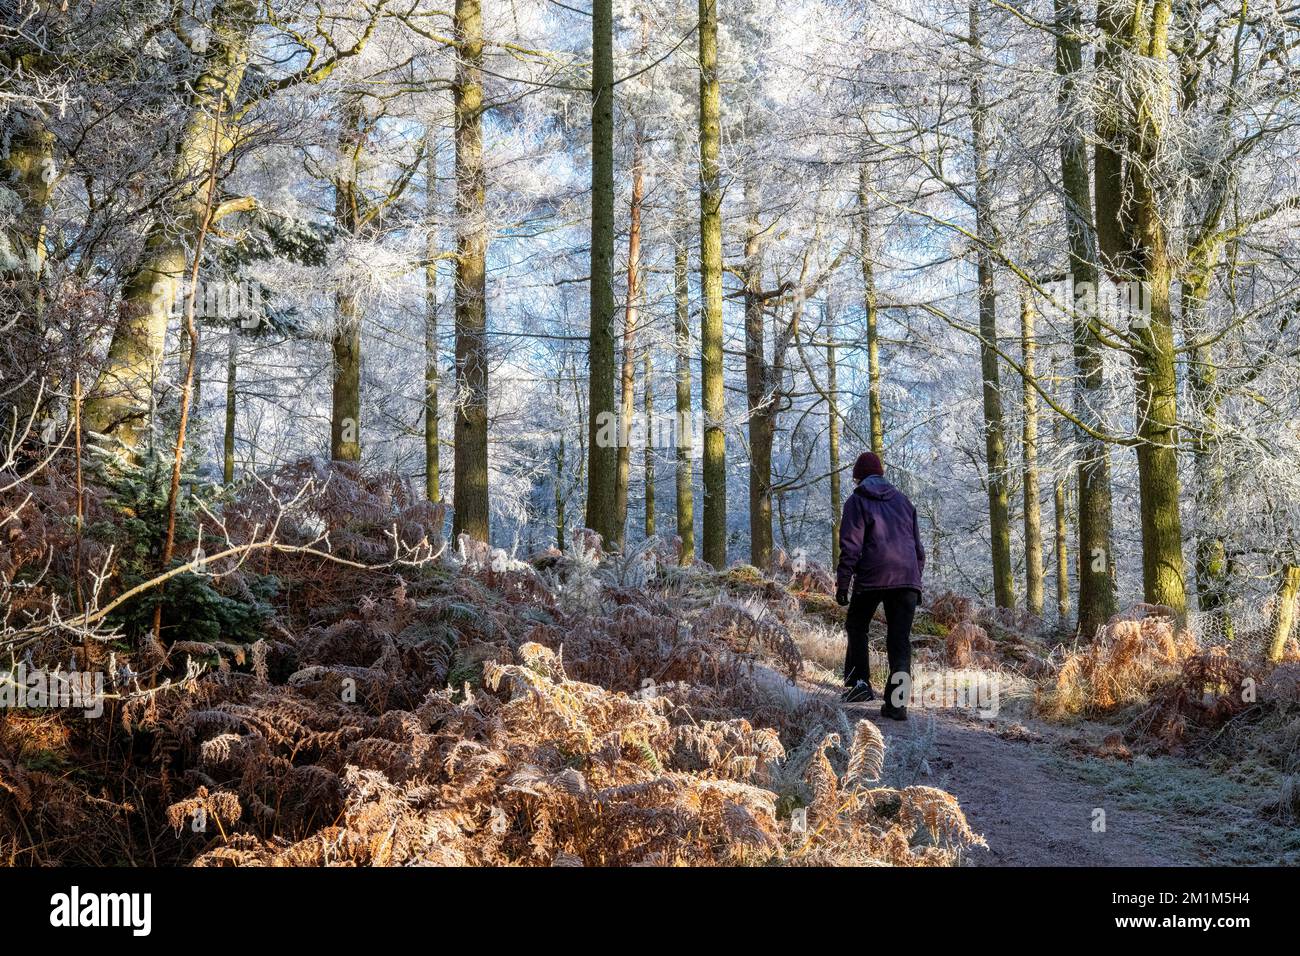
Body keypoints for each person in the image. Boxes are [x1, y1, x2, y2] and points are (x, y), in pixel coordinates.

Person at [834, 451, 925, 720]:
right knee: (899, 641)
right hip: (907, 578)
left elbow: (850, 545)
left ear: (857, 477)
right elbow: (918, 549)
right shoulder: (904, 501)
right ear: (882, 474)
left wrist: (843, 584)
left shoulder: (857, 501)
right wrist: (915, 581)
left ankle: (859, 685)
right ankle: (897, 704)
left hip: (873, 576)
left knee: (857, 625)